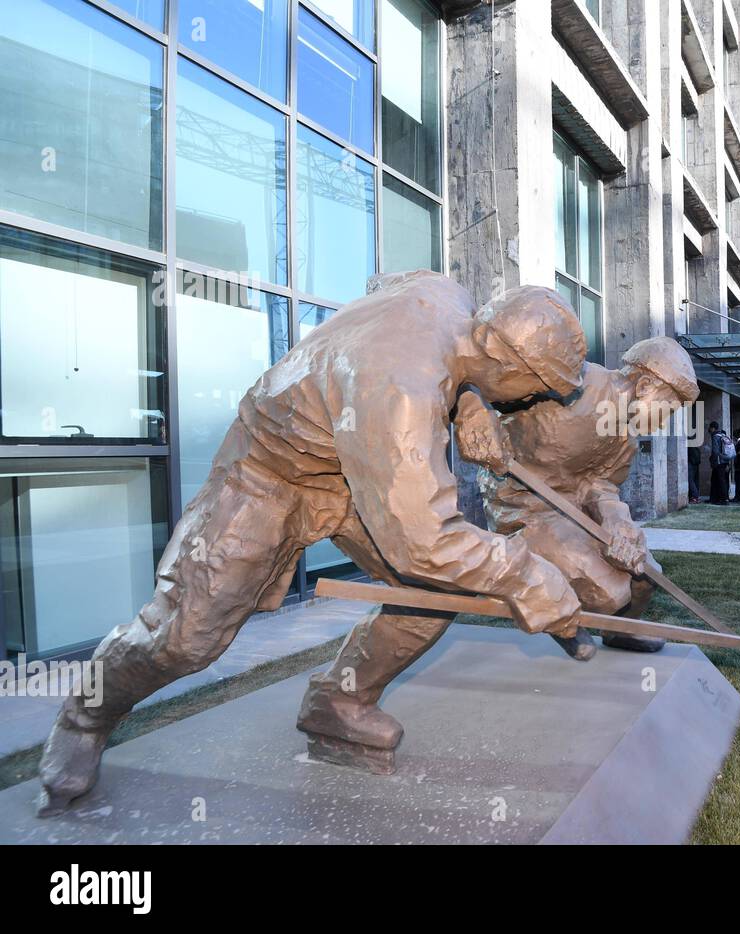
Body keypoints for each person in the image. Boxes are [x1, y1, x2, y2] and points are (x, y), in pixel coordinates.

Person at [37, 273, 591, 815]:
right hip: (266, 471)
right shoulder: (401, 393)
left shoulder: (446, 295)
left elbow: (379, 289)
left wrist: (468, 400)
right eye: (535, 389)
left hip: (348, 471)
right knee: (186, 637)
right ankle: (84, 716)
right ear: (505, 359)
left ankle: (338, 701)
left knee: (431, 595)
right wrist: (527, 575)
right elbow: (422, 542)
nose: (530, 402)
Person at [466, 336, 700, 664]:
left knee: (644, 574)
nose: (666, 419)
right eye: (669, 407)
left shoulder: (625, 437)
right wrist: (472, 412)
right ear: (645, 386)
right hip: (524, 505)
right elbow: (484, 377)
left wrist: (617, 522)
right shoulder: (570, 380)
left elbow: (601, 484)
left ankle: (620, 628)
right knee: (608, 592)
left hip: (573, 510)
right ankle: (559, 617)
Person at [708, 421, 733, 504]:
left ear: (712, 428)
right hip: (725, 461)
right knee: (721, 480)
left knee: (719, 480)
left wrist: (712, 461)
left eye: (710, 428)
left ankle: (723, 499)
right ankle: (716, 498)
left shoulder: (715, 436)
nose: (709, 430)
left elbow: (715, 451)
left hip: (718, 462)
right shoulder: (723, 435)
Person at [686, 438, 701, 504]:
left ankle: (695, 496)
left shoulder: (689, 446)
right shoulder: (695, 445)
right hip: (695, 464)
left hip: (691, 463)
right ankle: (696, 497)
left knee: (690, 480)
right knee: (695, 480)